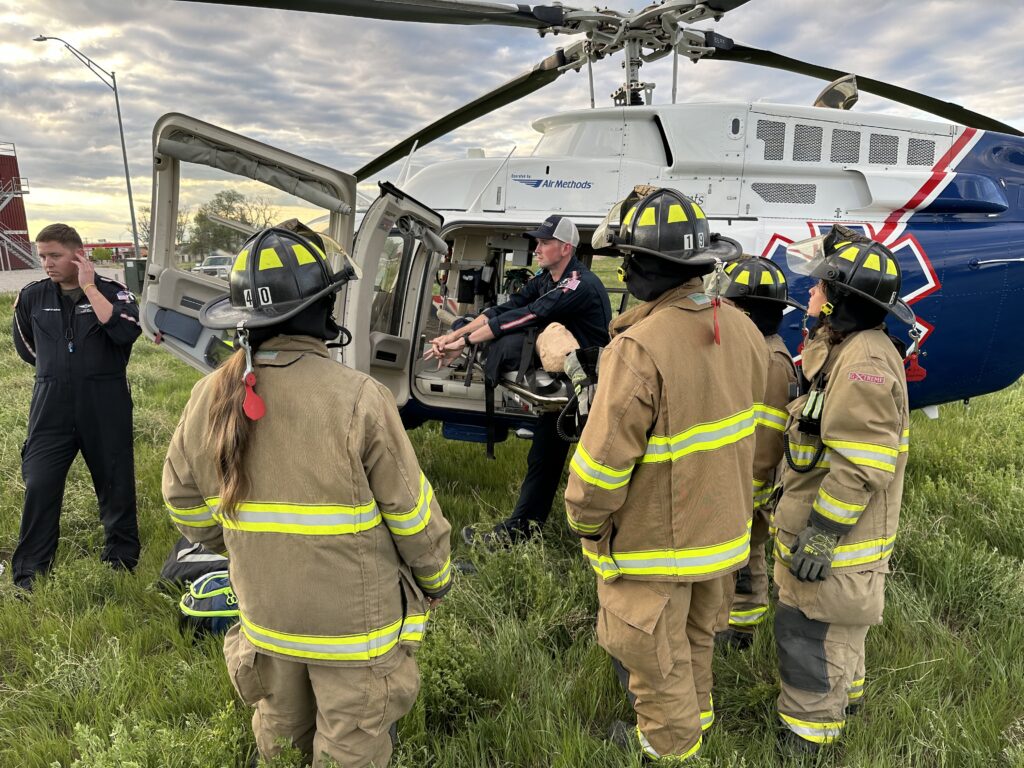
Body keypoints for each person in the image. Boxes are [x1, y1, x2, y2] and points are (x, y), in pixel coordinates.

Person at [162, 227, 453, 768]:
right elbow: (412, 515)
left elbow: (182, 500)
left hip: (267, 619)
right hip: (354, 633)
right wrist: (436, 579)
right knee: (350, 745)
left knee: (278, 727)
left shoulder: (212, 393)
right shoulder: (359, 397)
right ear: (322, 309)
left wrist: (246, 544)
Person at [564, 188, 768, 762]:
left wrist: (586, 522)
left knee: (655, 659)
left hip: (658, 546)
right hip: (722, 536)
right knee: (696, 641)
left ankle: (669, 746)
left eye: (627, 260)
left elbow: (600, 470)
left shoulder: (639, 347)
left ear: (640, 266)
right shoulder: (742, 327)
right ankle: (695, 724)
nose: (623, 271)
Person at [773, 230, 913, 754]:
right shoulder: (849, 347)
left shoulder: (862, 366)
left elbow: (861, 464)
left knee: (811, 628)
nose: (809, 294)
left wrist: (822, 534)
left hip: (839, 539)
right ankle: (842, 702)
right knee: (840, 629)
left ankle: (807, 733)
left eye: (817, 288)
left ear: (838, 298)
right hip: (839, 537)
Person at [425, 214, 611, 545]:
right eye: (536, 242)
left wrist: (463, 342)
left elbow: (529, 315)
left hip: (596, 390)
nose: (536, 248)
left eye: (544, 243)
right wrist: (457, 337)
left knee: (602, 464)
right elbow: (506, 308)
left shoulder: (577, 284)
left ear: (565, 248)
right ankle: (524, 530)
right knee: (543, 456)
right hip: (568, 391)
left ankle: (606, 534)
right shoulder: (548, 278)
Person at [10, 223, 142, 592]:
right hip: (51, 404)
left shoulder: (114, 293)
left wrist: (88, 287)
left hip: (104, 402)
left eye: (54, 255)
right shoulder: (34, 296)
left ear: (78, 255)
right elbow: (26, 348)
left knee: (115, 482)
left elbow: (125, 331)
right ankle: (30, 574)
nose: (46, 263)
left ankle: (121, 560)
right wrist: (59, 369)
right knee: (39, 482)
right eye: (42, 256)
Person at [714, 256, 803, 650]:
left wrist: (744, 497)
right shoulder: (755, 350)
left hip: (748, 489)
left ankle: (741, 631)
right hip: (735, 483)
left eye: (729, 305)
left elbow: (765, 445)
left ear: (746, 311)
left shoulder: (769, 363)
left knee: (747, 556)